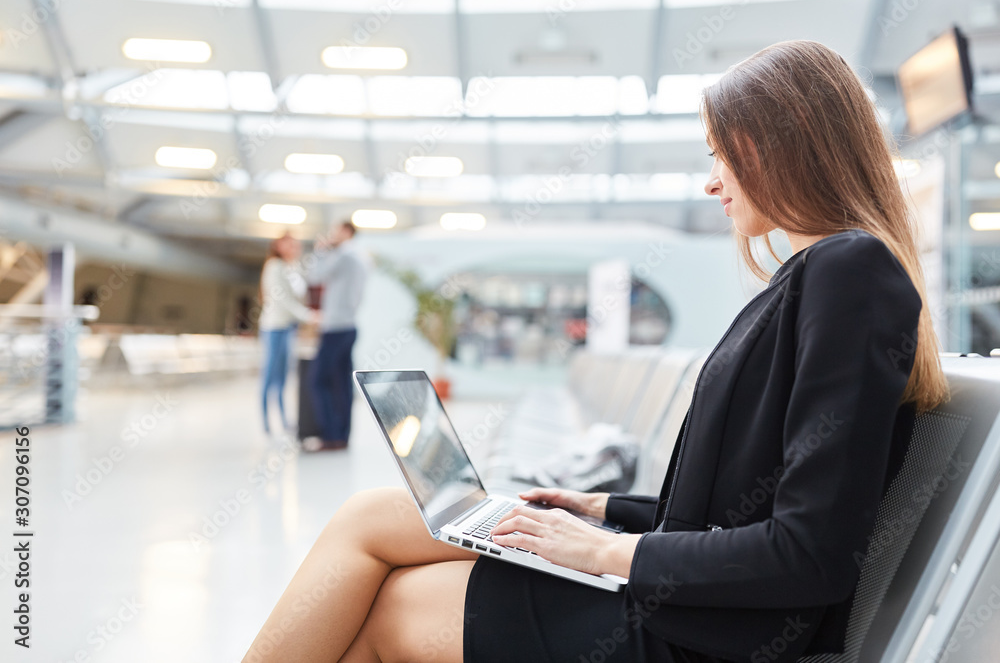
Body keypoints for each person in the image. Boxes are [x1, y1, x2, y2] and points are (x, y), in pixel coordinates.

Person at [243, 40, 950, 663]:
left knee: (397, 605)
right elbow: (735, 507)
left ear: (784, 138)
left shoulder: (850, 272)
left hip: (703, 631)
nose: (713, 181)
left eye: (722, 152)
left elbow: (809, 551)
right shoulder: (817, 276)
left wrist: (603, 549)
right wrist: (600, 507)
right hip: (688, 596)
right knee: (371, 516)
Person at [304, 220, 370, 451]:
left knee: (318, 380)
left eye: (335, 230)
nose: (331, 234)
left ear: (346, 232)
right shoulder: (362, 257)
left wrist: (321, 251)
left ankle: (330, 436)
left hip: (335, 327)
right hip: (350, 326)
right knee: (342, 384)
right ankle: (342, 435)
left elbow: (313, 276)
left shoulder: (343, 256)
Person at [258, 232, 316, 436]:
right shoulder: (275, 267)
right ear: (278, 246)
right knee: (269, 375)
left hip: (288, 328)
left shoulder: (292, 269)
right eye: (290, 245)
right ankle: (265, 422)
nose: (295, 248)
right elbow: (284, 302)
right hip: (274, 327)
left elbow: (300, 295)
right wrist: (309, 316)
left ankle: (283, 420)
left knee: (283, 376)